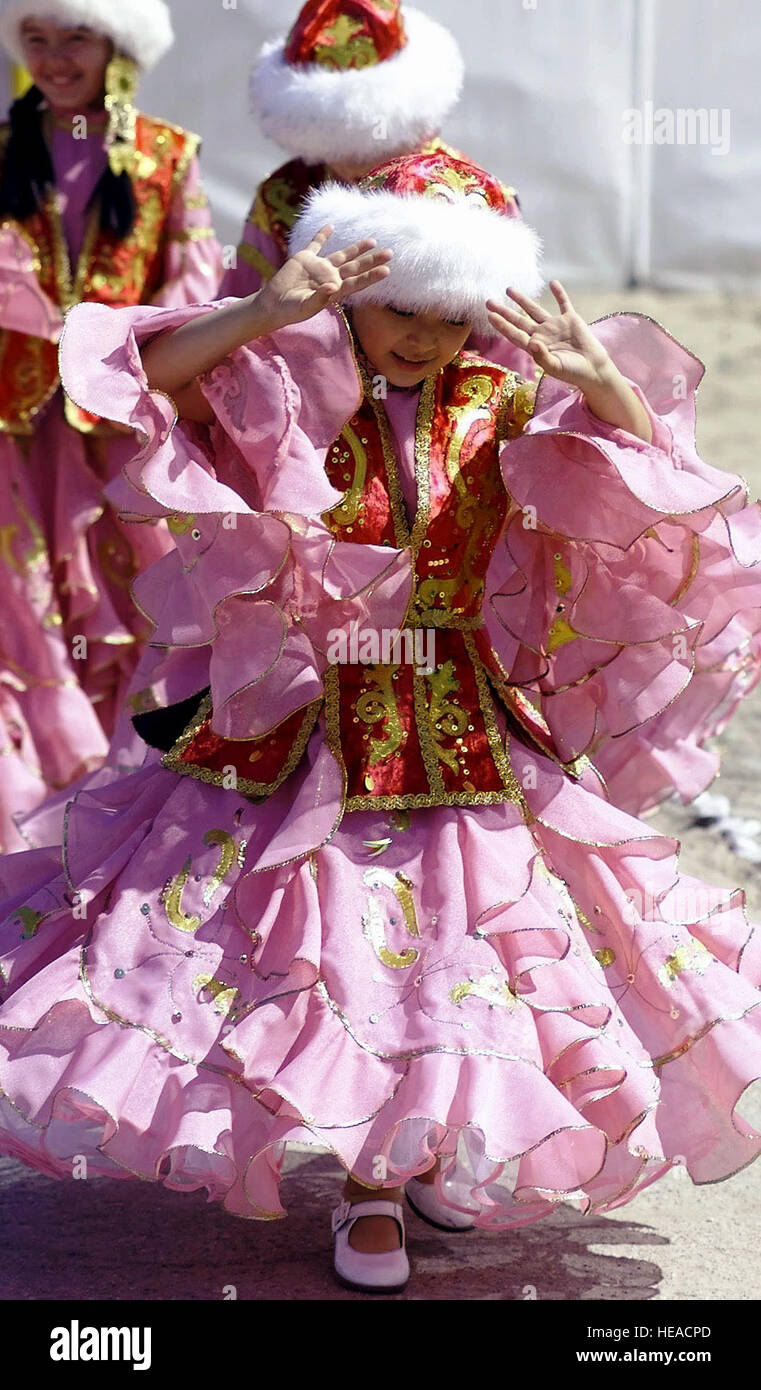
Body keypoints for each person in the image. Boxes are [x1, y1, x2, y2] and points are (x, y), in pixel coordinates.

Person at [2, 149, 761, 1297]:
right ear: (358, 291)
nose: (424, 337)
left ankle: (404, 1161)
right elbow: (144, 382)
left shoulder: (498, 403)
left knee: (453, 945)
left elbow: (644, 484)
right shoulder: (286, 381)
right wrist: (267, 309)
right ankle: (371, 1181)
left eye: (451, 317)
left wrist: (600, 377)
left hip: (457, 717)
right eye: (401, 307)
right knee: (323, 946)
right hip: (303, 712)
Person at [0, 0, 223, 850]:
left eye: (75, 39)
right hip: (16, 430)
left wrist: (125, 356)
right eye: (36, 39)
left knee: (135, 604)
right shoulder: (4, 149)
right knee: (25, 612)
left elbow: (191, 285)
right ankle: (33, 804)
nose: (55, 59)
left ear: (116, 46)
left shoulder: (168, 155)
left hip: (121, 426)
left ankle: (123, 802)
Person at [224, 0, 537, 378]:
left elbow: (503, 348)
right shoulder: (283, 195)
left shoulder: (471, 197)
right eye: (330, 138)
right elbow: (237, 320)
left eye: (366, 139)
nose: (351, 161)